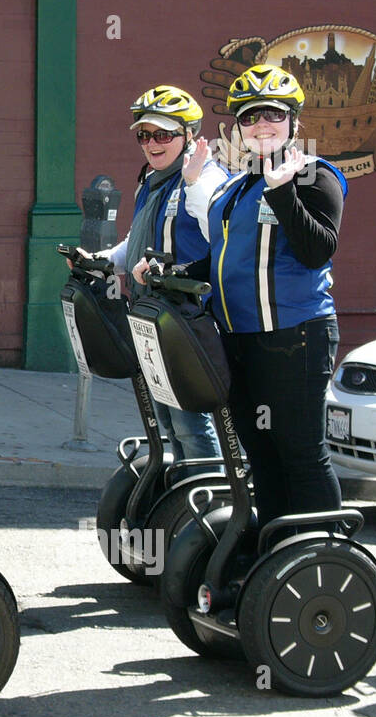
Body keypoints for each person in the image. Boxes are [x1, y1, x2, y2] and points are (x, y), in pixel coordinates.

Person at [136, 65, 346, 524]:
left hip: (295, 336)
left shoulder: (314, 175)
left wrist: (285, 191)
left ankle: (323, 555)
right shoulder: (238, 187)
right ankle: (271, 556)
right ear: (238, 127)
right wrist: (168, 271)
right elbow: (223, 259)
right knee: (261, 456)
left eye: (272, 114)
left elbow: (316, 250)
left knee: (302, 454)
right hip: (240, 340)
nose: (261, 125)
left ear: (293, 120)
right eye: (250, 118)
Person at [95, 85, 226, 462]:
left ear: (189, 136)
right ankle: (185, 496)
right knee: (166, 418)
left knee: (189, 420)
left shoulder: (206, 178)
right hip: (151, 316)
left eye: (164, 134)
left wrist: (195, 182)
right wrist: (104, 259)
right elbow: (135, 243)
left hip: (186, 318)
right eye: (144, 135)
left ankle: (209, 492)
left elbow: (222, 238)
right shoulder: (151, 181)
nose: (152, 143)